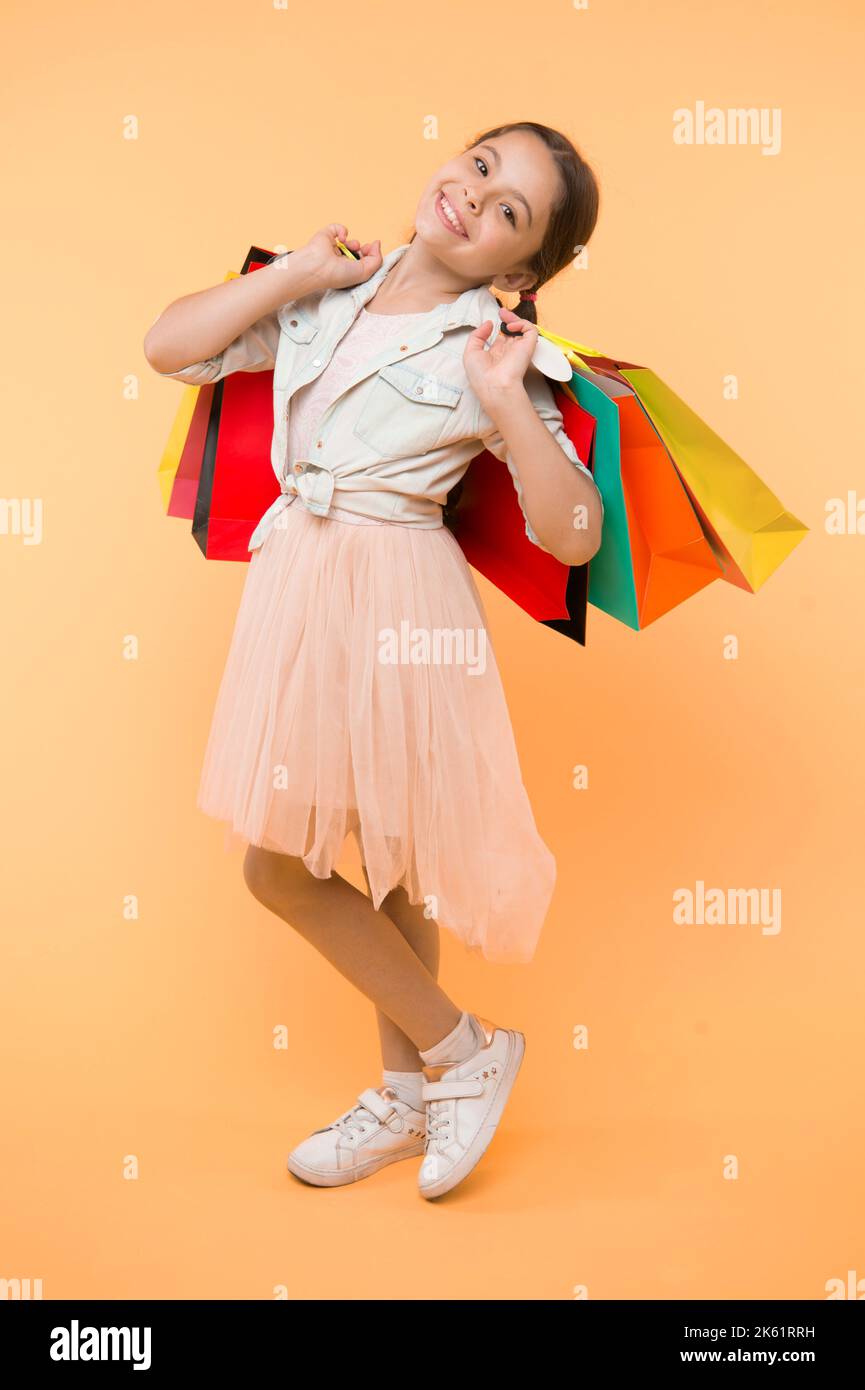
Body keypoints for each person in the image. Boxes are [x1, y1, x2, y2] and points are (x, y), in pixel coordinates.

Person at [144, 121, 604, 1200]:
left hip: (398, 595)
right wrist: (297, 271)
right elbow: (169, 347)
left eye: (509, 214)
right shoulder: (328, 286)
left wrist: (502, 402)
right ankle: (416, 1093)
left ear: (521, 269)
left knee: (319, 863)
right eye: (482, 167)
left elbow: (573, 529)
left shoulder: (494, 354)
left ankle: (457, 1057)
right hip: (297, 579)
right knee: (360, 862)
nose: (475, 199)